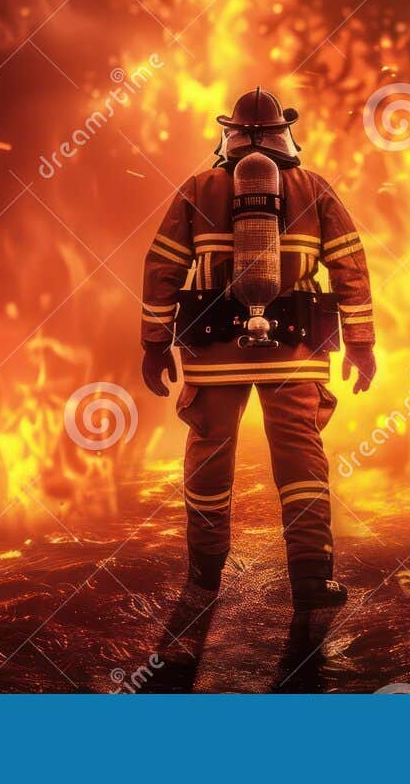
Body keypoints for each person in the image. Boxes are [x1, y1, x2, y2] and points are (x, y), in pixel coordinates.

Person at [140, 87, 376, 610]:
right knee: (301, 461)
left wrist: (155, 345)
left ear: (227, 135)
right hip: (294, 351)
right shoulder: (313, 188)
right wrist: (360, 344)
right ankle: (312, 580)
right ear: (284, 133)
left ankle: (203, 577)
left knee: (209, 458)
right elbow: (350, 269)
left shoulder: (198, 188)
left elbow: (162, 269)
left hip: (214, 352)